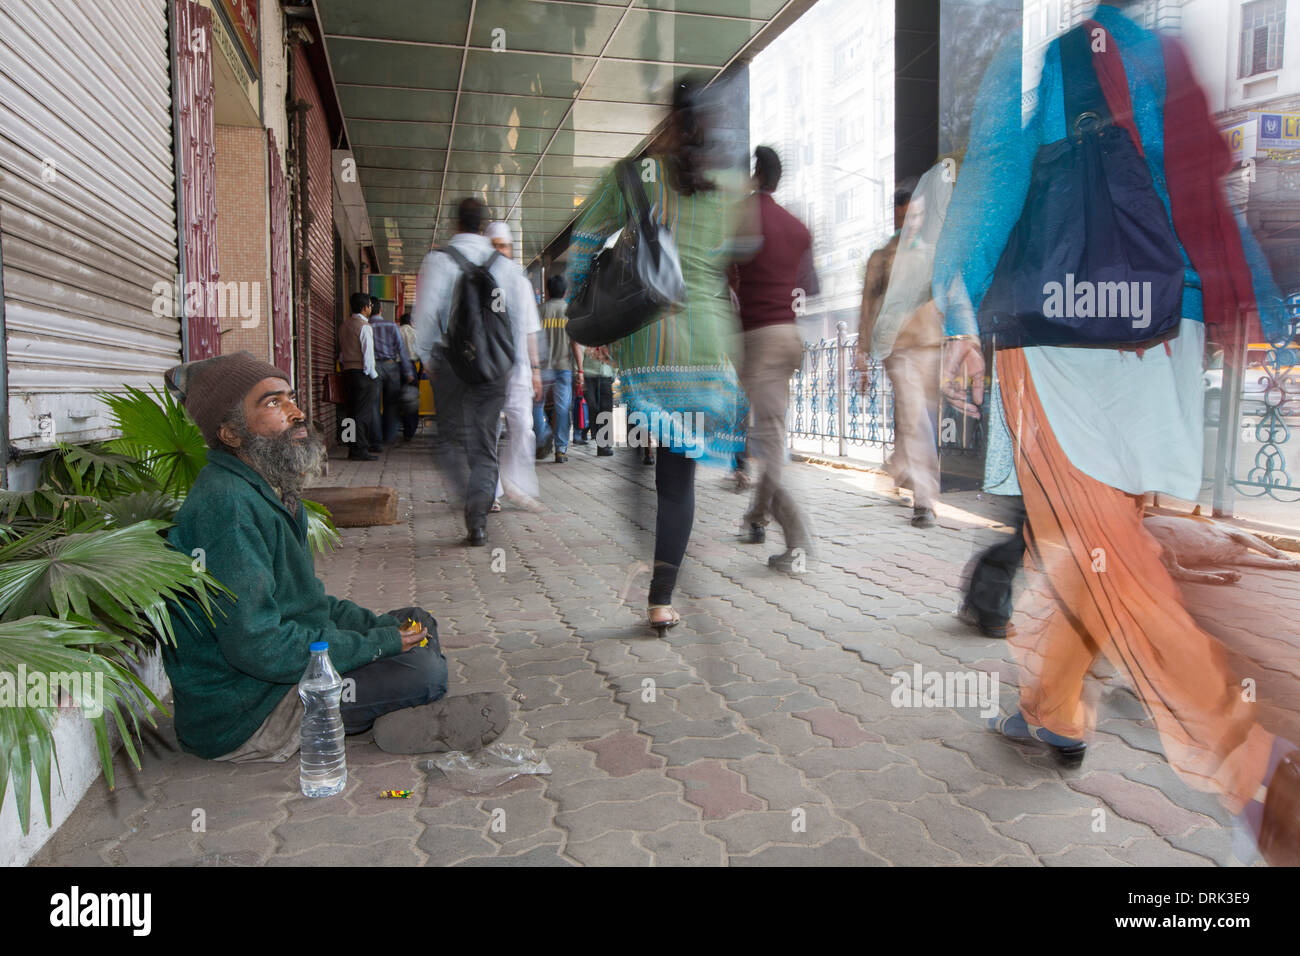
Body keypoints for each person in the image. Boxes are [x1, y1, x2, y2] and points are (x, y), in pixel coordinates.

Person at [933, 1, 1298, 865]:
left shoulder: (1036, 65)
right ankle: (1050, 706)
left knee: (1105, 553)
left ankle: (1261, 780)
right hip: (1163, 330)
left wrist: (956, 313)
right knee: (1097, 546)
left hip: (1063, 337)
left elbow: (993, 181)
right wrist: (1272, 322)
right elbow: (1210, 197)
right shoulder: (1164, 57)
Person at [159, 352, 508, 761]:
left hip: (282, 671)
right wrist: (378, 645)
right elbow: (259, 648)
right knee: (424, 671)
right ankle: (390, 712)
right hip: (250, 712)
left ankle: (391, 711)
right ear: (231, 434)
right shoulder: (227, 507)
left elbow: (308, 604)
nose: (296, 412)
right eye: (272, 403)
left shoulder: (272, 490)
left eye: (290, 398)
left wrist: (381, 630)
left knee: (417, 619)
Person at [568, 75, 751, 631]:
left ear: (666, 121)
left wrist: (588, 314)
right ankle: (661, 598)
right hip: (706, 345)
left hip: (649, 340)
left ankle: (635, 496)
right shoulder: (729, 185)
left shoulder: (635, 174)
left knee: (643, 451)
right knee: (679, 480)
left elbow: (583, 244)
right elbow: (732, 257)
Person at [412, 197, 535, 546]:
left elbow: (424, 316)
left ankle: (468, 492)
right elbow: (517, 324)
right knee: (485, 445)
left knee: (449, 440)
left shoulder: (437, 261)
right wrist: (513, 367)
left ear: (455, 224)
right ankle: (477, 518)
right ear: (484, 226)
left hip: (450, 364)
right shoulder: (506, 267)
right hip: (492, 369)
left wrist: (428, 359)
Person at [732, 145, 817, 571]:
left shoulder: (744, 217)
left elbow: (723, 280)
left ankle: (798, 543)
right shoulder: (798, 229)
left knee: (769, 445)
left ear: (753, 175)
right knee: (770, 436)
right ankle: (754, 518)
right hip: (789, 338)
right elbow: (808, 287)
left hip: (758, 340)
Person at [857, 174, 945, 529]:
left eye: (918, 216)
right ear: (896, 217)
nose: (913, 223)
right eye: (906, 217)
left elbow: (950, 295)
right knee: (916, 417)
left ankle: (902, 466)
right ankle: (924, 500)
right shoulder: (881, 259)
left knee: (919, 419)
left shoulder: (936, 254)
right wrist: (861, 354)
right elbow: (866, 308)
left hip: (932, 346)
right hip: (901, 349)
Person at [484, 220, 544, 509]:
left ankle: (512, 481)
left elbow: (531, 330)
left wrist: (535, 370)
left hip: (518, 370)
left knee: (523, 427)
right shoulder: (476, 281)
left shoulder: (521, 283)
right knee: (488, 431)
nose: (499, 251)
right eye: (493, 246)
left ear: (510, 249)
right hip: (486, 371)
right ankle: (490, 491)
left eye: (503, 246)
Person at [535, 274, 582, 463]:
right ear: (565, 293)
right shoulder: (570, 312)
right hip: (564, 367)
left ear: (547, 292)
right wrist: (581, 370)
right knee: (562, 408)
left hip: (542, 367)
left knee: (536, 405)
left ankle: (544, 434)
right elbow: (575, 344)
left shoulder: (538, 311)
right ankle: (561, 449)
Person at [369, 295, 415, 446]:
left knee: (374, 405)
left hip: (373, 367)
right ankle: (389, 438)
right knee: (392, 404)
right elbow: (401, 350)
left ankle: (376, 440)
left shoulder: (366, 326)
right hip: (391, 366)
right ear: (381, 310)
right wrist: (408, 372)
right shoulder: (391, 326)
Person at [339, 291, 380, 461]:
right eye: (370, 305)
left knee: (350, 413)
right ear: (365, 308)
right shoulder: (364, 327)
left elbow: (341, 353)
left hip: (347, 372)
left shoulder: (344, 326)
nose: (371, 308)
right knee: (363, 414)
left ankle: (351, 448)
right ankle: (360, 450)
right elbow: (368, 355)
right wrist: (373, 375)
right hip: (361, 374)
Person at [582, 344, 615, 457]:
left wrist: (613, 372)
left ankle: (604, 446)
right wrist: (578, 372)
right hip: (588, 374)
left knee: (606, 409)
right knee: (593, 406)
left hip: (605, 374)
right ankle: (595, 434)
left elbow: (616, 351)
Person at [397, 311, 421, 440]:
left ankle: (391, 430)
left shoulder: (396, 331)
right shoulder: (415, 333)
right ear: (411, 322)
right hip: (411, 368)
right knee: (411, 399)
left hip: (396, 367)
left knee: (394, 398)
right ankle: (410, 431)